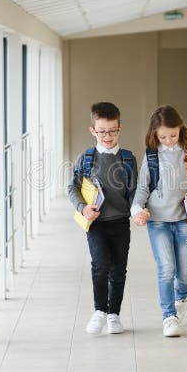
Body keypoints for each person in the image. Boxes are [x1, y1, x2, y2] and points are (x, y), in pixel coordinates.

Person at [131, 106, 187, 337]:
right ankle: (168, 317)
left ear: (180, 130)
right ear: (154, 134)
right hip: (158, 221)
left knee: (184, 273)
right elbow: (144, 186)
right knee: (166, 268)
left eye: (172, 135)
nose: (167, 140)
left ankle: (180, 300)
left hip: (184, 220)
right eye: (162, 136)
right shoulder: (152, 154)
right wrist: (137, 209)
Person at [67, 102, 137, 335]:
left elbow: (134, 191)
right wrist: (82, 208)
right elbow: (72, 188)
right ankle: (100, 311)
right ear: (93, 131)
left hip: (120, 223)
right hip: (95, 224)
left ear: (120, 128)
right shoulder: (86, 158)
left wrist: (139, 209)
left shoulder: (127, 160)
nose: (108, 136)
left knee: (119, 269)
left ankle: (114, 314)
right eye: (102, 131)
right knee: (100, 265)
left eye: (113, 130)